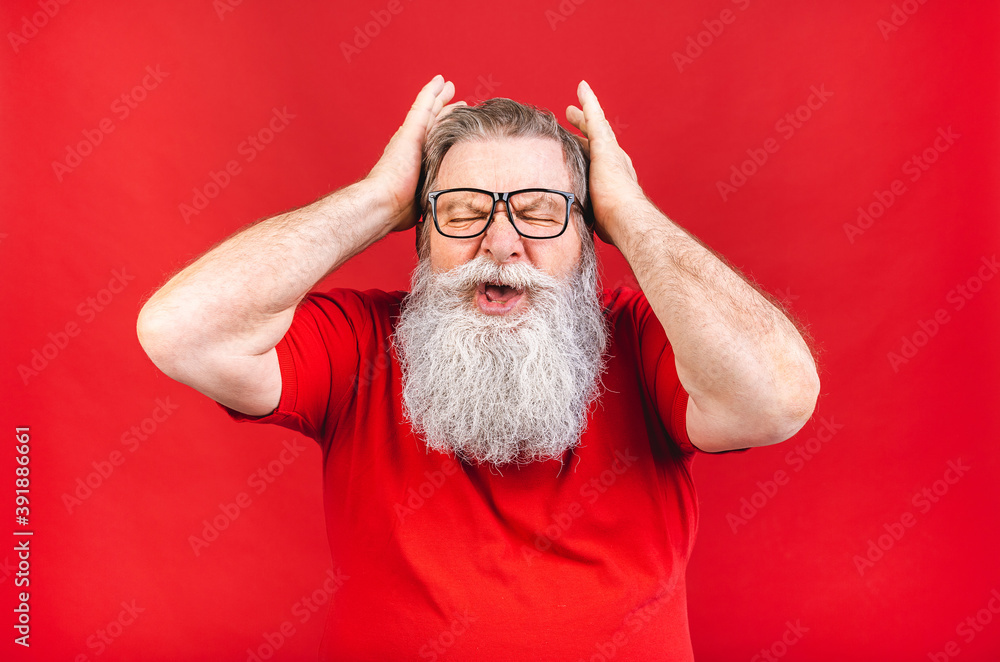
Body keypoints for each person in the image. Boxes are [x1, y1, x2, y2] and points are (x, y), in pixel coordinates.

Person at [137, 75, 820, 661]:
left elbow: (777, 399)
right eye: (460, 212)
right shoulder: (362, 343)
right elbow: (182, 331)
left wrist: (633, 214)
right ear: (420, 229)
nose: (500, 243)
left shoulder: (643, 342)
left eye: (540, 213)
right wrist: (376, 199)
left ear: (589, 232)